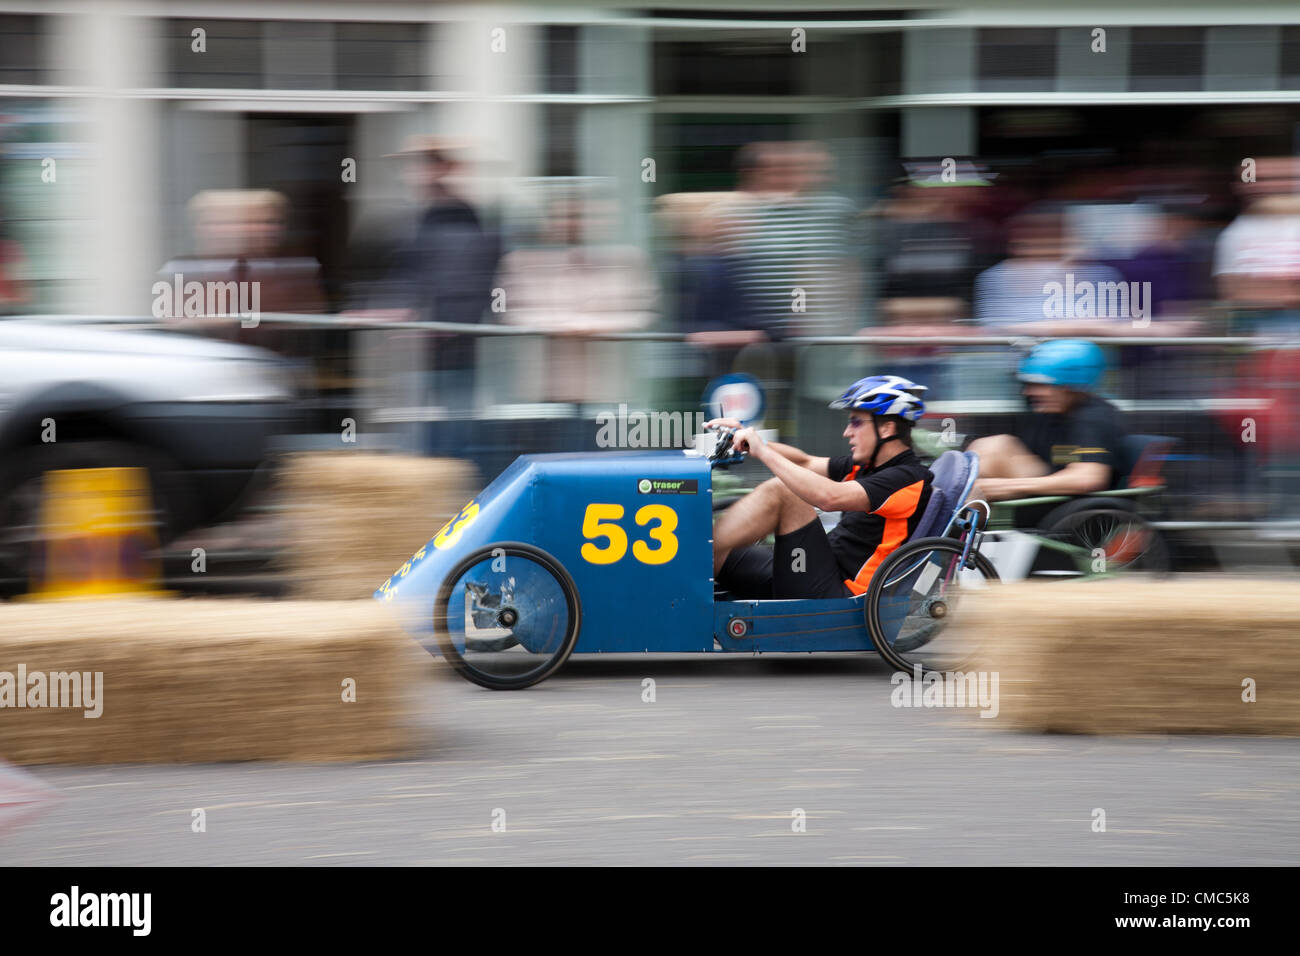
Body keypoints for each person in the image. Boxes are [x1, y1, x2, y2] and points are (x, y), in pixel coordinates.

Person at [711, 376, 933, 600]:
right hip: (810, 567)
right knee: (717, 559)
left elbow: (829, 497)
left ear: (886, 428)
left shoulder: (907, 478)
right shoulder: (866, 466)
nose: (847, 432)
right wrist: (749, 441)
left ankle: (694, 549)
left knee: (785, 492)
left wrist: (763, 452)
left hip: (841, 593)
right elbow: (804, 463)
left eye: (856, 422)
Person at [966, 340, 1131, 520]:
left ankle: (957, 538)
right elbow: (1057, 457)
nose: (1028, 392)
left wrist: (1001, 486)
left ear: (1069, 386)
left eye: (1040, 385)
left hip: (1068, 505)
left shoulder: (1094, 418)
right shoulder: (1053, 412)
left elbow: (1088, 478)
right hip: (1048, 486)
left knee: (979, 480)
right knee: (993, 447)